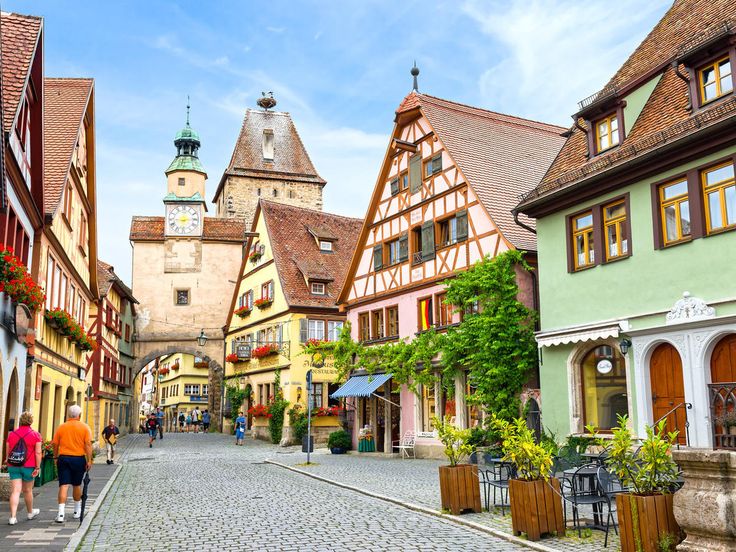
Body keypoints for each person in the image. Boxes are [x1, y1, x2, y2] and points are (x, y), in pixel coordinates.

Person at [51, 404, 93, 523]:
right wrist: (89, 460)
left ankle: (60, 514)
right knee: (76, 484)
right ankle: (76, 511)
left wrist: (55, 456)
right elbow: (88, 445)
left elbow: (55, 443)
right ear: (79, 415)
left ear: (69, 415)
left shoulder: (61, 427)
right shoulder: (84, 427)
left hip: (63, 458)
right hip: (78, 459)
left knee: (63, 485)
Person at [5, 411, 42, 525]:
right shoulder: (36, 435)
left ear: (20, 421)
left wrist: (7, 461)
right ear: (31, 421)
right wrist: (37, 467)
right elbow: (38, 452)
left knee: (15, 491)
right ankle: (30, 513)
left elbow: (8, 450)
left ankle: (12, 517)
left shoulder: (12, 434)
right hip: (29, 466)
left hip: (14, 465)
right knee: (27, 490)